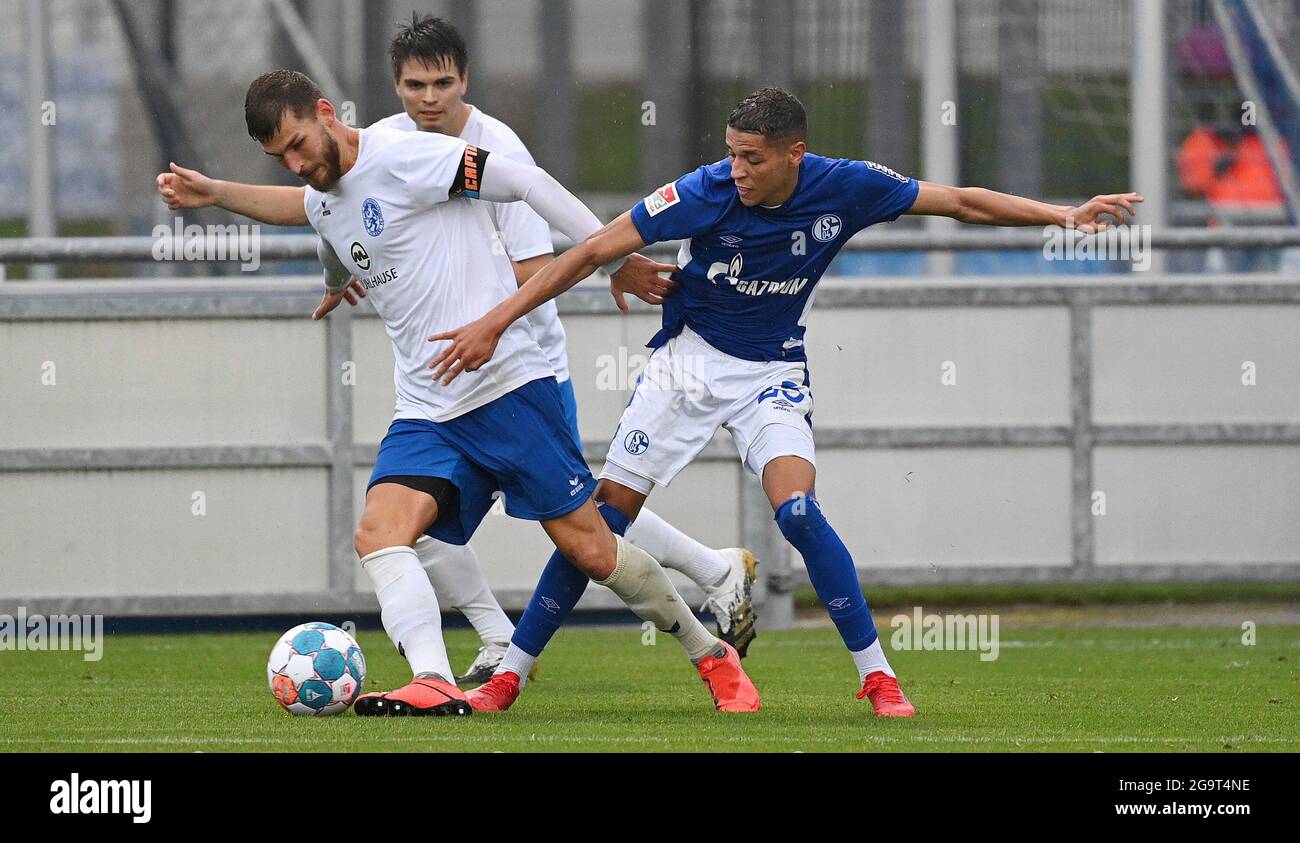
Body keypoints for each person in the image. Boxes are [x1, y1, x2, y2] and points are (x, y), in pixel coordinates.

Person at [428, 87, 1141, 717]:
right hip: (687, 365)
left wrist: (1062, 215)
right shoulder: (703, 191)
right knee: (603, 521)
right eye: (732, 155)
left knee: (798, 511)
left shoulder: (848, 186)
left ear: (795, 154)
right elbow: (589, 251)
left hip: (771, 368)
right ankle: (510, 677)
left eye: (753, 159)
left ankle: (879, 679)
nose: (737, 170)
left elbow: (957, 202)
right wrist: (498, 320)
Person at [157, 15, 759, 686]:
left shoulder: (414, 155)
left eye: (300, 144)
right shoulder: (327, 186)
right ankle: (433, 680)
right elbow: (314, 213)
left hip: (507, 383)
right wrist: (242, 215)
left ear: (326, 113)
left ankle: (710, 651)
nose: (298, 164)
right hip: (428, 404)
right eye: (284, 158)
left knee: (591, 546)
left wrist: (612, 256)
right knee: (381, 533)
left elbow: (528, 186)